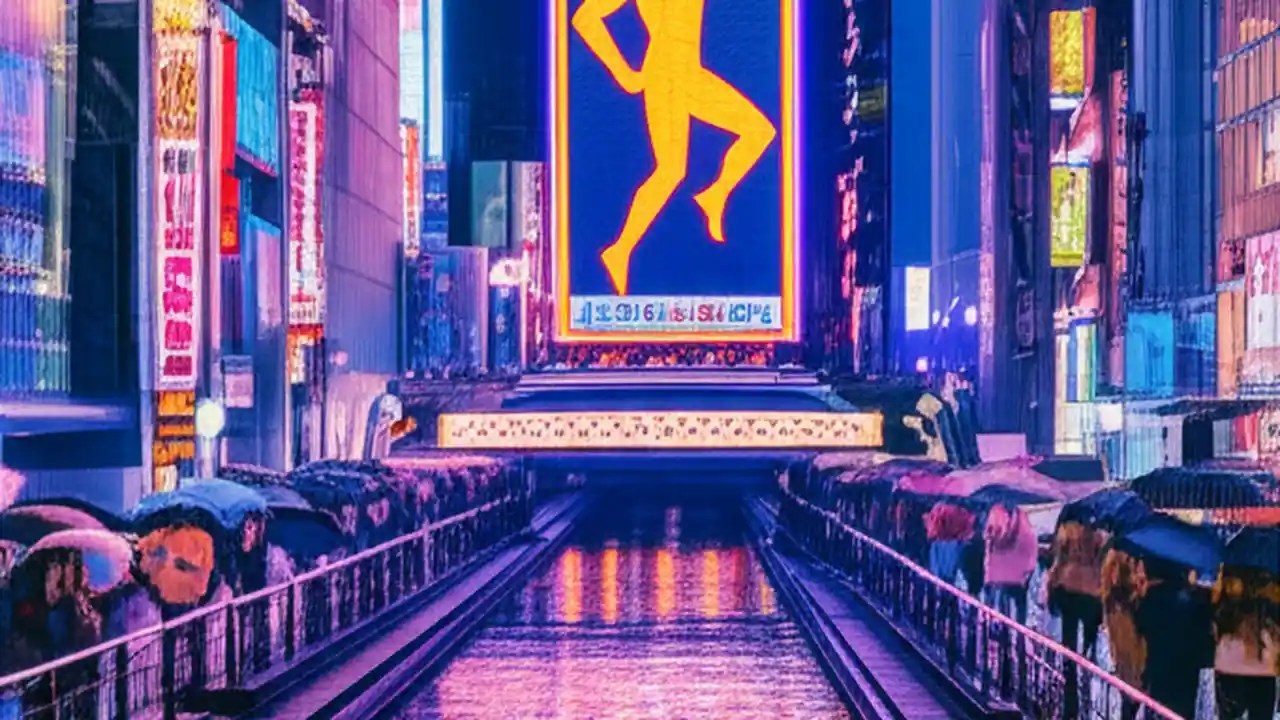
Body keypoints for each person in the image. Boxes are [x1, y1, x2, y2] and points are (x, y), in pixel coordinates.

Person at [573, 0, 777, 295]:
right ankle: (619, 250)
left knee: (758, 131)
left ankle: (715, 194)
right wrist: (624, 73)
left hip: (690, 73)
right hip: (666, 73)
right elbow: (585, 17)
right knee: (670, 171)